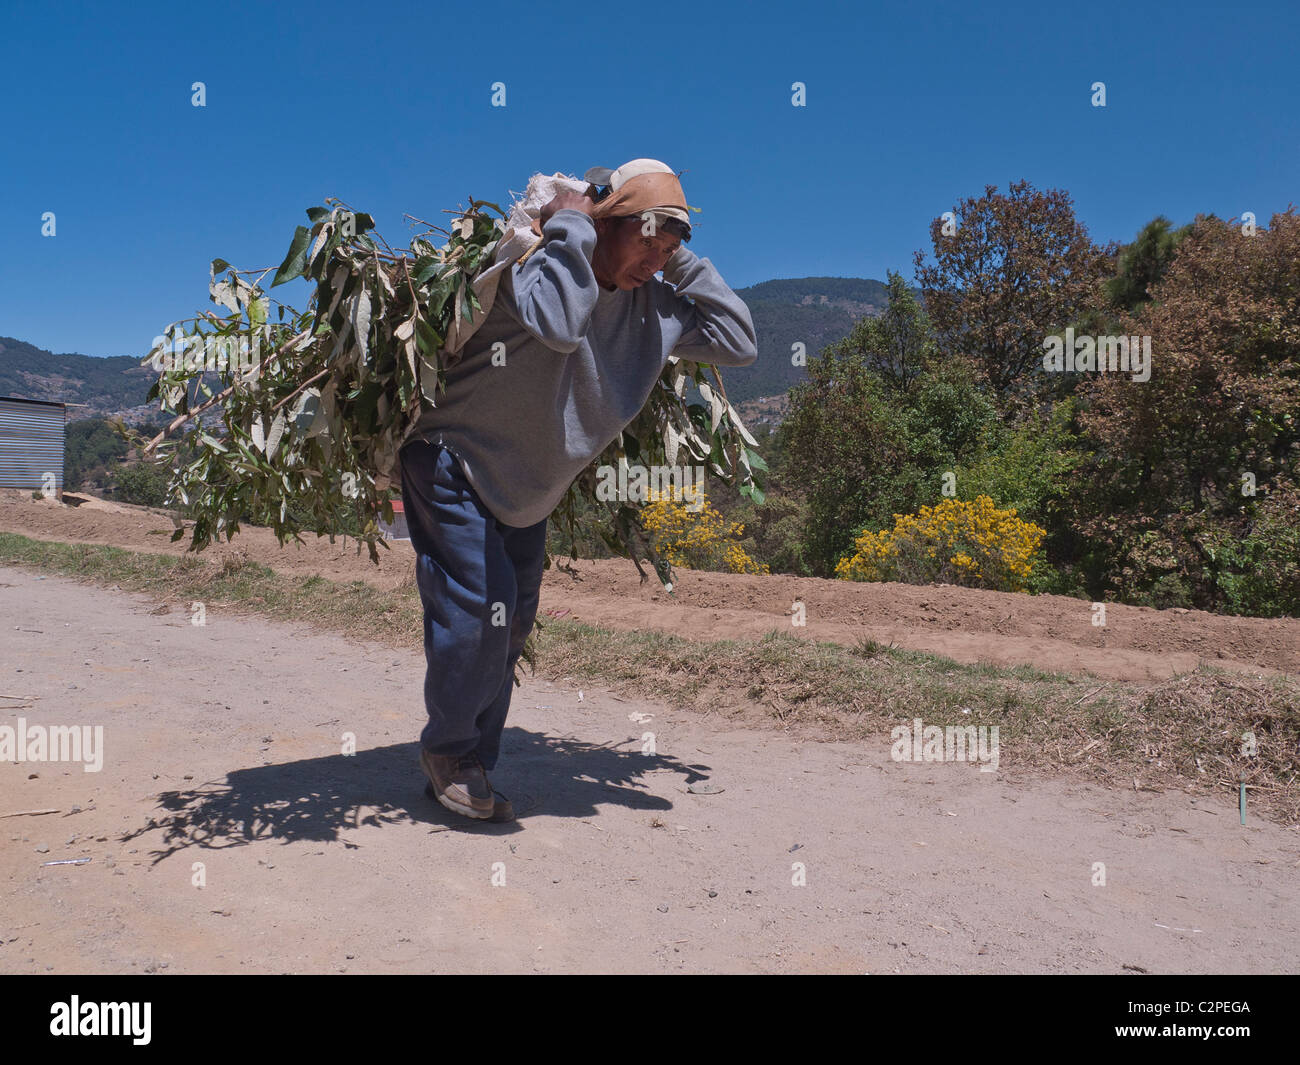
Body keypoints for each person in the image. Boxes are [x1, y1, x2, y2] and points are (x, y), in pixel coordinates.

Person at [398, 158, 757, 821]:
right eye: (645, 236)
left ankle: (470, 760)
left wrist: (675, 262)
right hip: (451, 458)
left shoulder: (660, 311)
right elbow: (561, 326)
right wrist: (569, 223)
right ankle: (450, 753)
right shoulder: (539, 265)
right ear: (603, 224)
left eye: (669, 243)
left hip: (528, 491)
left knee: (508, 627)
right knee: (480, 608)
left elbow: (741, 340)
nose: (656, 256)